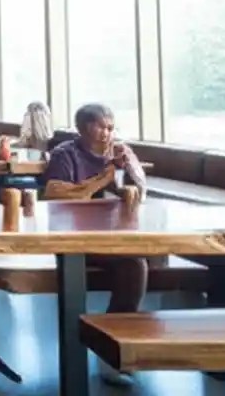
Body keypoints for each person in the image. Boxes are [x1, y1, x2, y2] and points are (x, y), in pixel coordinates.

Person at [39, 103, 148, 387]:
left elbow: (140, 190)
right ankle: (110, 353)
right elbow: (54, 194)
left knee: (143, 260)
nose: (107, 133)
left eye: (110, 127)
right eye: (100, 126)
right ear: (83, 129)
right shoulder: (65, 154)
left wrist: (131, 172)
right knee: (134, 265)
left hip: (114, 235)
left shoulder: (119, 152)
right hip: (74, 238)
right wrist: (104, 177)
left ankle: (122, 345)